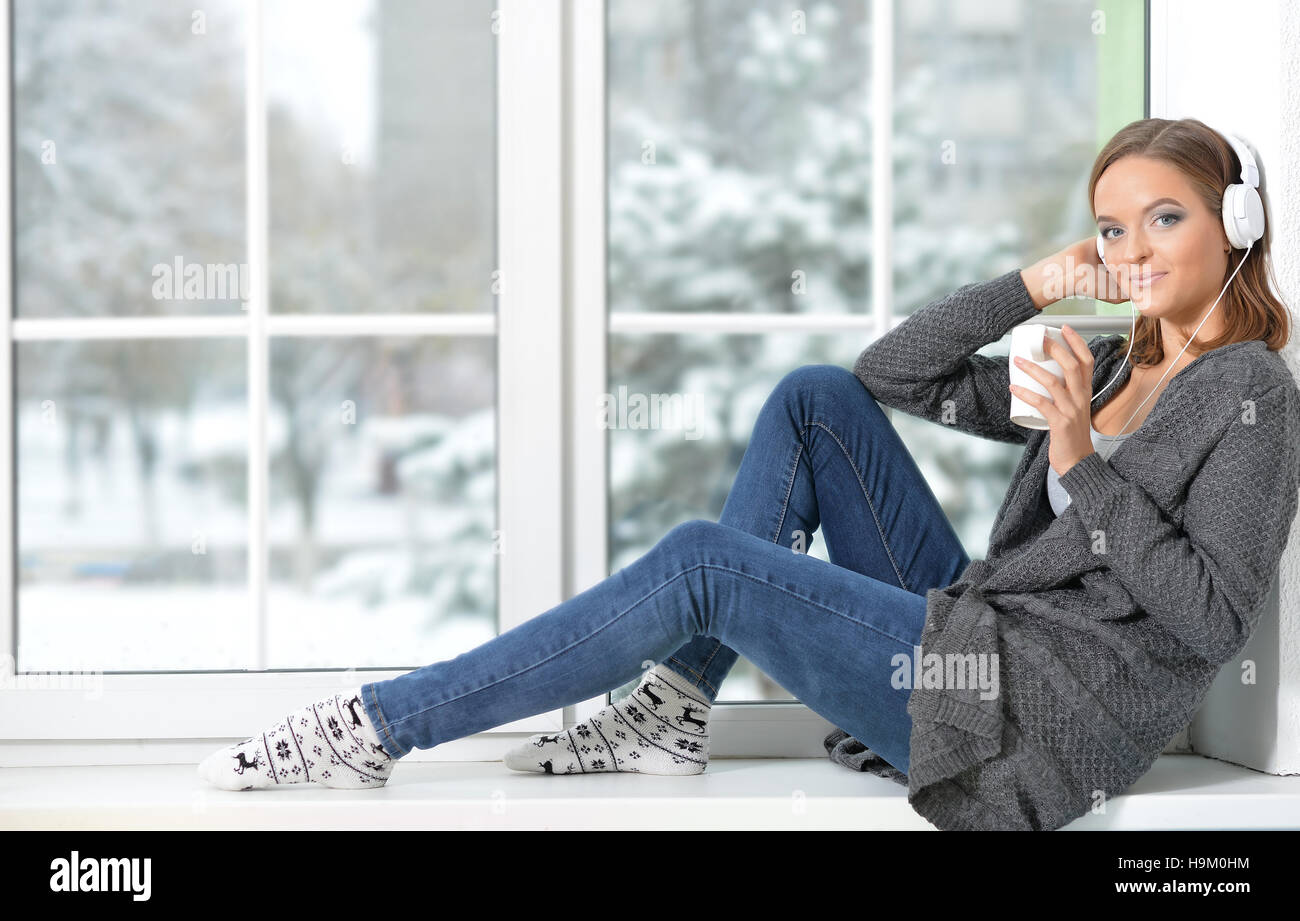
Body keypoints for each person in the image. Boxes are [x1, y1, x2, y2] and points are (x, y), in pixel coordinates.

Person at [198, 117, 1300, 831]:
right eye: (1114, 227)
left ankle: (380, 727)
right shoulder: (1113, 362)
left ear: (1234, 224)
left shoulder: (1250, 393)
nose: (1138, 247)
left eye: (1167, 217)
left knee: (702, 563)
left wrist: (1072, 457)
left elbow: (1209, 619)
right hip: (979, 637)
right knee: (816, 395)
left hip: (1029, 719)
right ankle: (677, 711)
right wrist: (1032, 283)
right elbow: (892, 375)